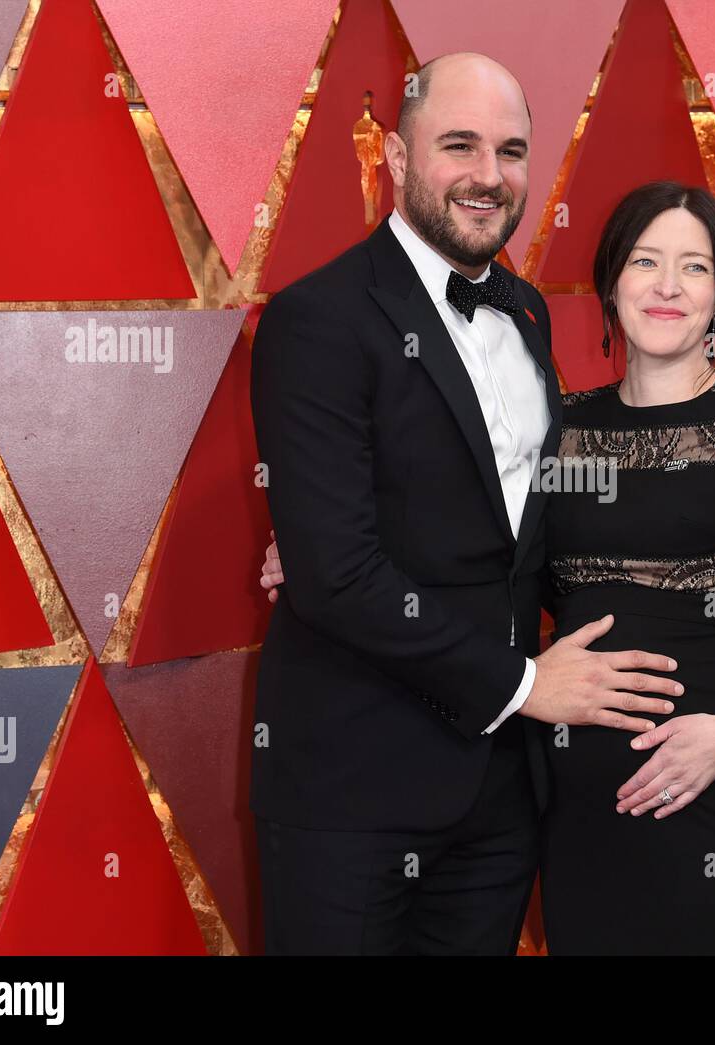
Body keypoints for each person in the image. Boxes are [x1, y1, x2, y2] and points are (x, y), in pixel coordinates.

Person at [261, 178, 715, 955]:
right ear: (610, 285)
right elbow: (484, 552)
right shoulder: (565, 430)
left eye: (694, 268)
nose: (666, 286)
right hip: (580, 828)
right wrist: (320, 543)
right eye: (645, 261)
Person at [248, 52, 682, 956]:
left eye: (512, 150)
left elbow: (524, 524)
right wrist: (526, 683)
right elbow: (339, 576)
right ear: (398, 162)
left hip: (498, 795)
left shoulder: (526, 311)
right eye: (460, 146)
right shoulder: (317, 318)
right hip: (353, 790)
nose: (490, 175)